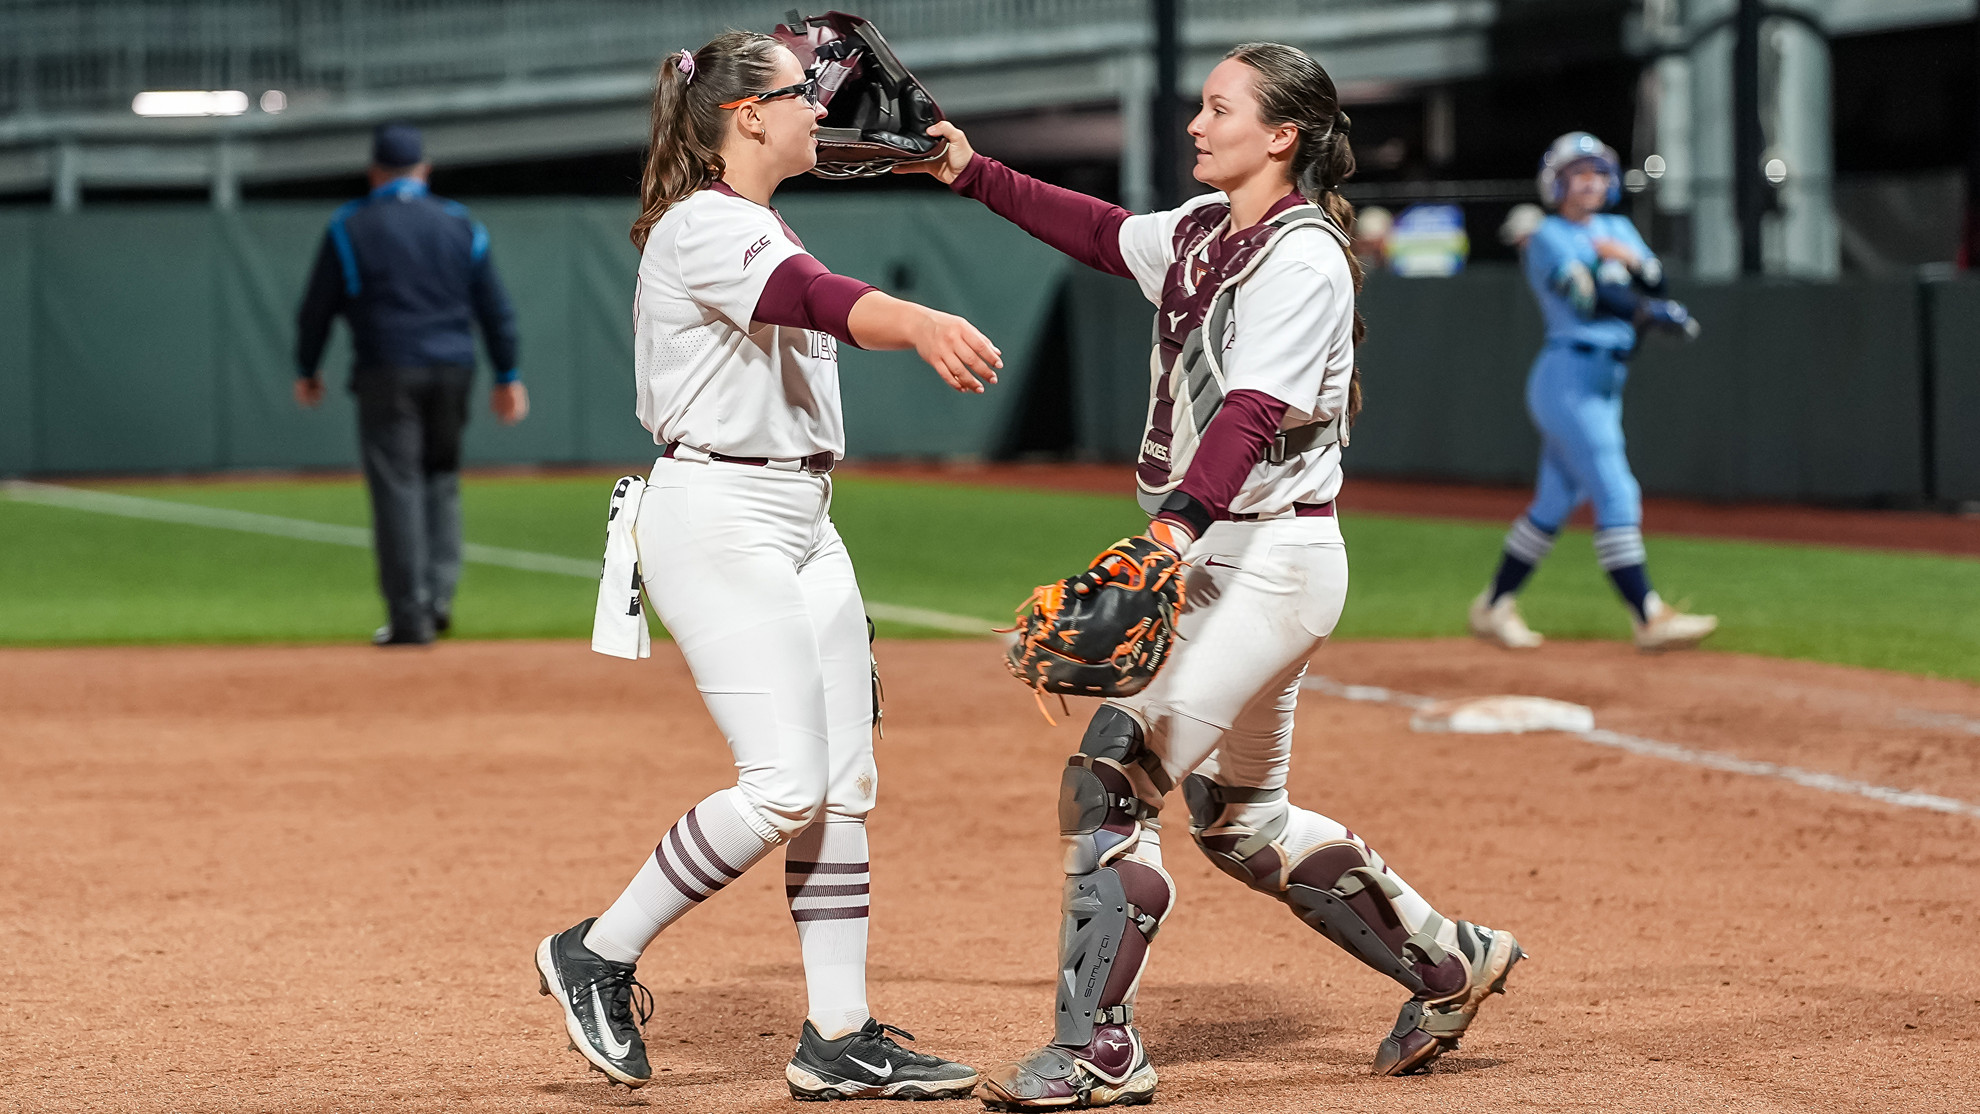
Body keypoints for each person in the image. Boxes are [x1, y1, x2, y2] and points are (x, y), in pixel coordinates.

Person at [899, 42, 1523, 1108]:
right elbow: (1096, 232)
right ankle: (1450, 959)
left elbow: (1250, 412)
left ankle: (1097, 1048)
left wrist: (1169, 535)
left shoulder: (1304, 255)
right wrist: (968, 169)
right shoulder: (1198, 235)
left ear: (1281, 135)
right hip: (1220, 558)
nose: (1196, 124)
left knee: (1110, 776)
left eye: (1218, 108)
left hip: (1270, 560)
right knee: (1241, 821)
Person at [531, 32, 999, 1100]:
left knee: (842, 785)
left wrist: (932, 158)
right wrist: (920, 319)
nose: (820, 114)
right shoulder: (704, 225)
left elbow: (813, 203)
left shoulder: (753, 216)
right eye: (801, 97)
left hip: (802, 518)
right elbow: (819, 301)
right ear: (746, 118)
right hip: (721, 513)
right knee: (783, 782)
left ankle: (838, 1036)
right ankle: (596, 950)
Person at [1467, 132, 1715, 652]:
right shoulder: (1548, 235)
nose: (1592, 182)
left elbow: (1655, 281)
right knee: (1616, 488)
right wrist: (1648, 311)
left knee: (1555, 503)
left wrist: (1635, 266)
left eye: (1599, 173)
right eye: (1579, 174)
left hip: (1607, 379)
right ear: (1556, 183)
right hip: (1567, 378)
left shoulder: (1617, 227)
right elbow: (1588, 297)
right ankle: (1648, 613)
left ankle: (1492, 606)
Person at [294, 123, 529, 646]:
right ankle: (439, 599)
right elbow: (496, 310)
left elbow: (316, 310)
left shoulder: (349, 225)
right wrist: (507, 375)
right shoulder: (460, 223)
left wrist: (307, 368)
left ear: (375, 171)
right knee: (440, 479)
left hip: (388, 369)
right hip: (453, 370)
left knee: (397, 487)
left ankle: (410, 615)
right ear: (424, 170)